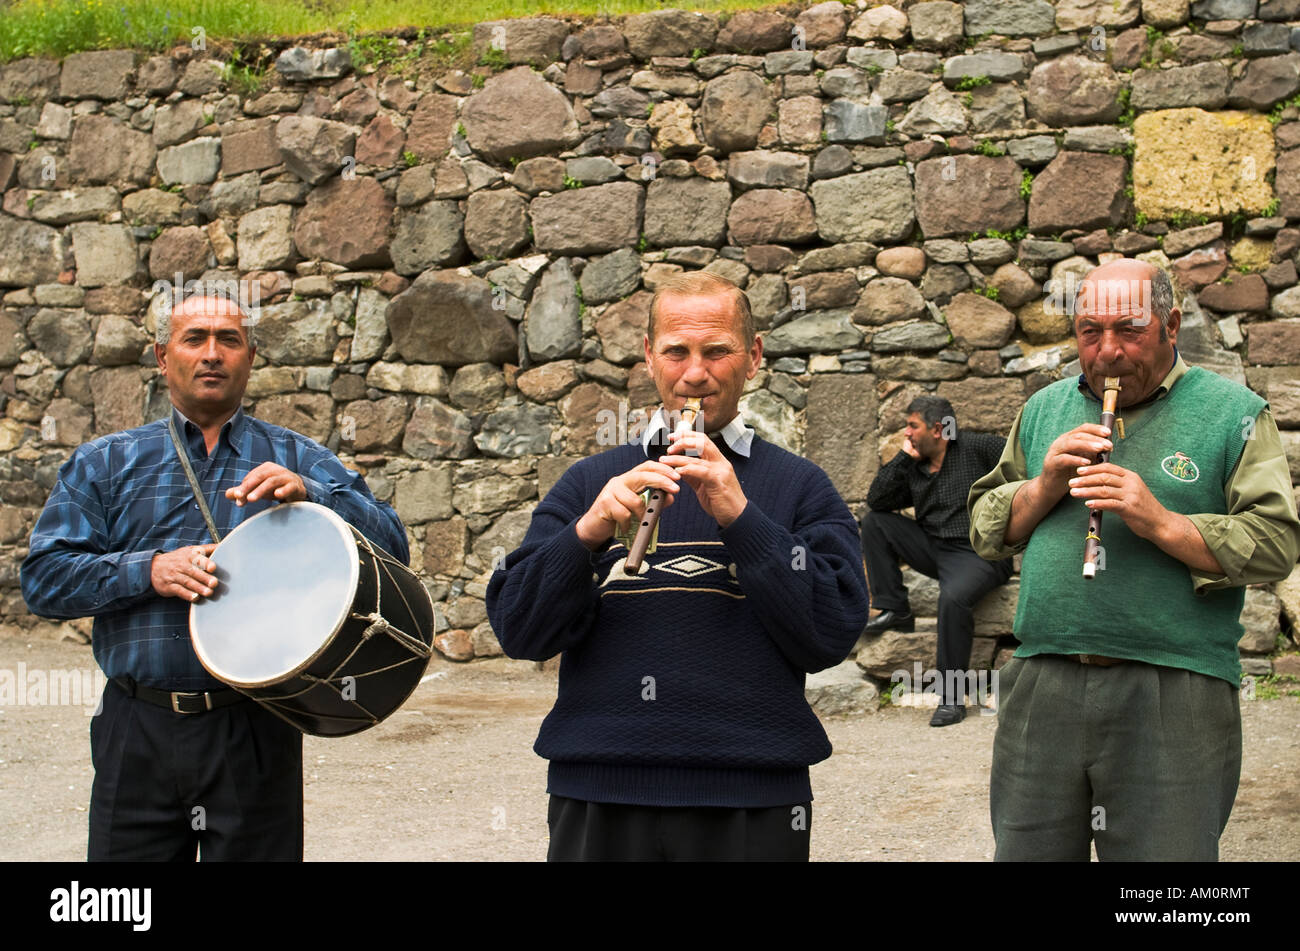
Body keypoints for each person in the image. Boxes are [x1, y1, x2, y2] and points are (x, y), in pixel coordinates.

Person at [486, 272, 869, 861]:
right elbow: (520, 630)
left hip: (754, 797)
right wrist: (586, 535)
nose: (695, 374)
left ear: (754, 357)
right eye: (676, 352)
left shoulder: (799, 486)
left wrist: (744, 519)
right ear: (648, 357)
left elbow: (831, 632)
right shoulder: (591, 482)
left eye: (717, 351)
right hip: (599, 791)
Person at [21, 292, 409, 861]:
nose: (211, 354)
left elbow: (394, 549)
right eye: (194, 338)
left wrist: (318, 498)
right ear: (161, 356)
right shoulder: (103, 463)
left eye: (228, 340)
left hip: (255, 725)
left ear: (250, 356)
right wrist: (148, 570)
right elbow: (44, 581)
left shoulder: (295, 457)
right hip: (136, 726)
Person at [968, 258, 1300, 861]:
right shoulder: (1043, 410)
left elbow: (1275, 543)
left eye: (1129, 330)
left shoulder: (1234, 414)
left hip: (1175, 687)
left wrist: (1160, 521)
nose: (1108, 352)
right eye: (1090, 332)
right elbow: (984, 528)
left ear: (1171, 324)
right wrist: (1043, 487)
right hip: (1044, 682)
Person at [860, 396, 1014, 726]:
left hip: (979, 552)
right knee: (875, 522)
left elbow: (1021, 464)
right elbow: (878, 500)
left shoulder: (977, 447)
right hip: (933, 547)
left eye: (913, 426)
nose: (907, 433)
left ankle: (952, 698)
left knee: (953, 598)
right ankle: (894, 608)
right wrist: (903, 458)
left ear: (939, 429)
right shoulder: (915, 465)